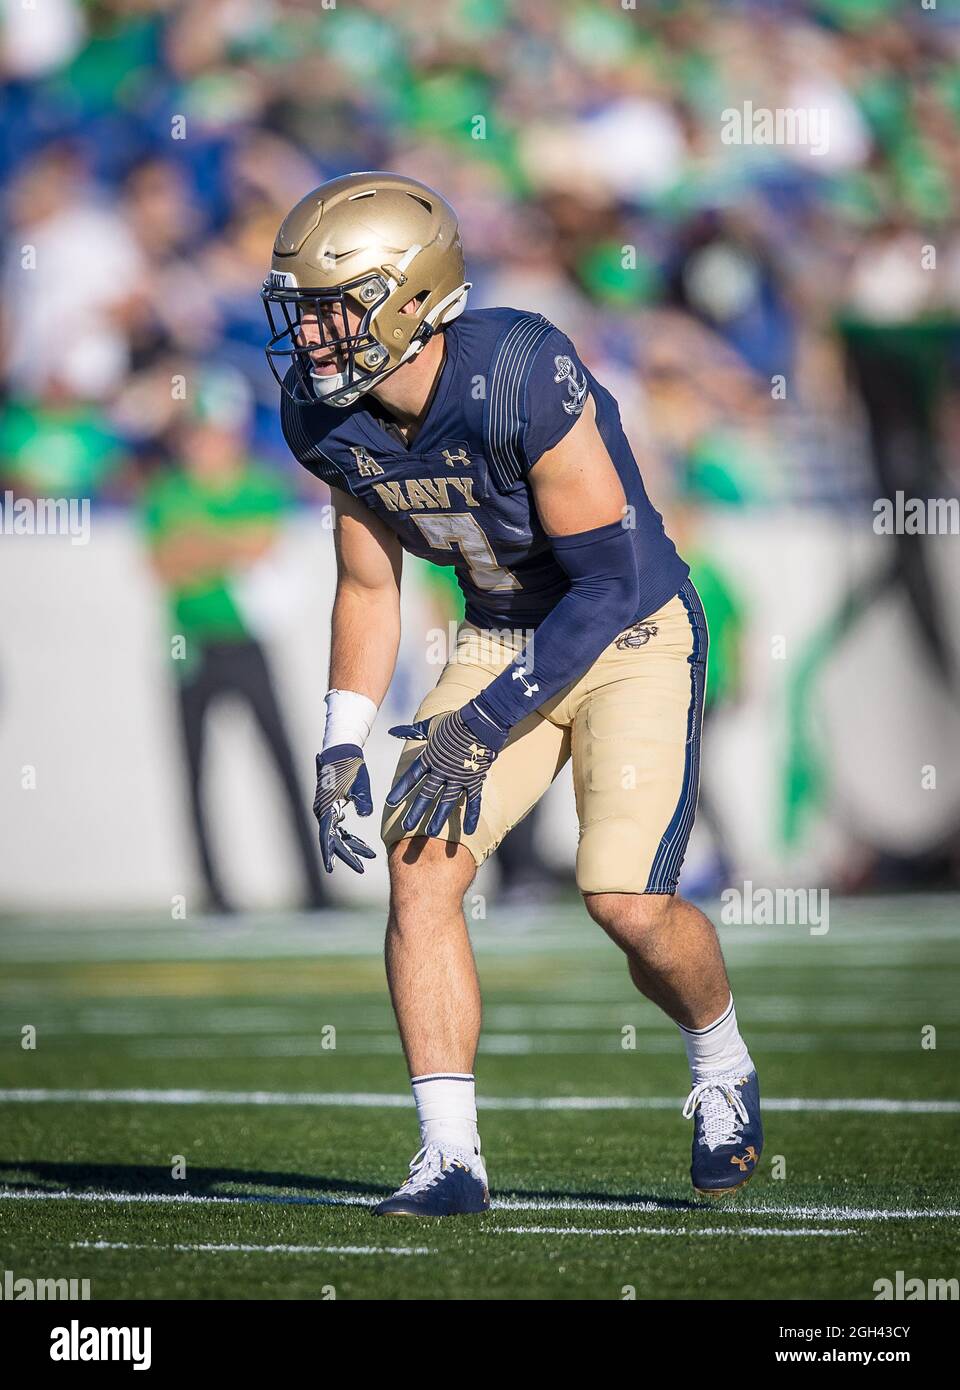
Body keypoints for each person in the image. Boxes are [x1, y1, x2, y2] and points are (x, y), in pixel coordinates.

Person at [263, 172, 761, 1215]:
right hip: (498, 633)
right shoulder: (323, 413)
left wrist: (479, 730)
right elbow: (367, 584)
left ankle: (721, 1066)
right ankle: (451, 1157)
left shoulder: (520, 369)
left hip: (627, 633)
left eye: (333, 307)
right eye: (302, 307)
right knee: (420, 870)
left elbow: (610, 582)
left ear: (410, 299)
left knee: (627, 902)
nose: (311, 334)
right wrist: (342, 736)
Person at [141, 366, 328, 914]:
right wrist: (222, 548)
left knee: (284, 765)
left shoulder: (255, 483)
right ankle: (215, 894)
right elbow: (164, 563)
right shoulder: (169, 490)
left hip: (246, 644)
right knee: (196, 772)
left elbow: (258, 544)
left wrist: (202, 547)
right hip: (191, 647)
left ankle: (316, 890)